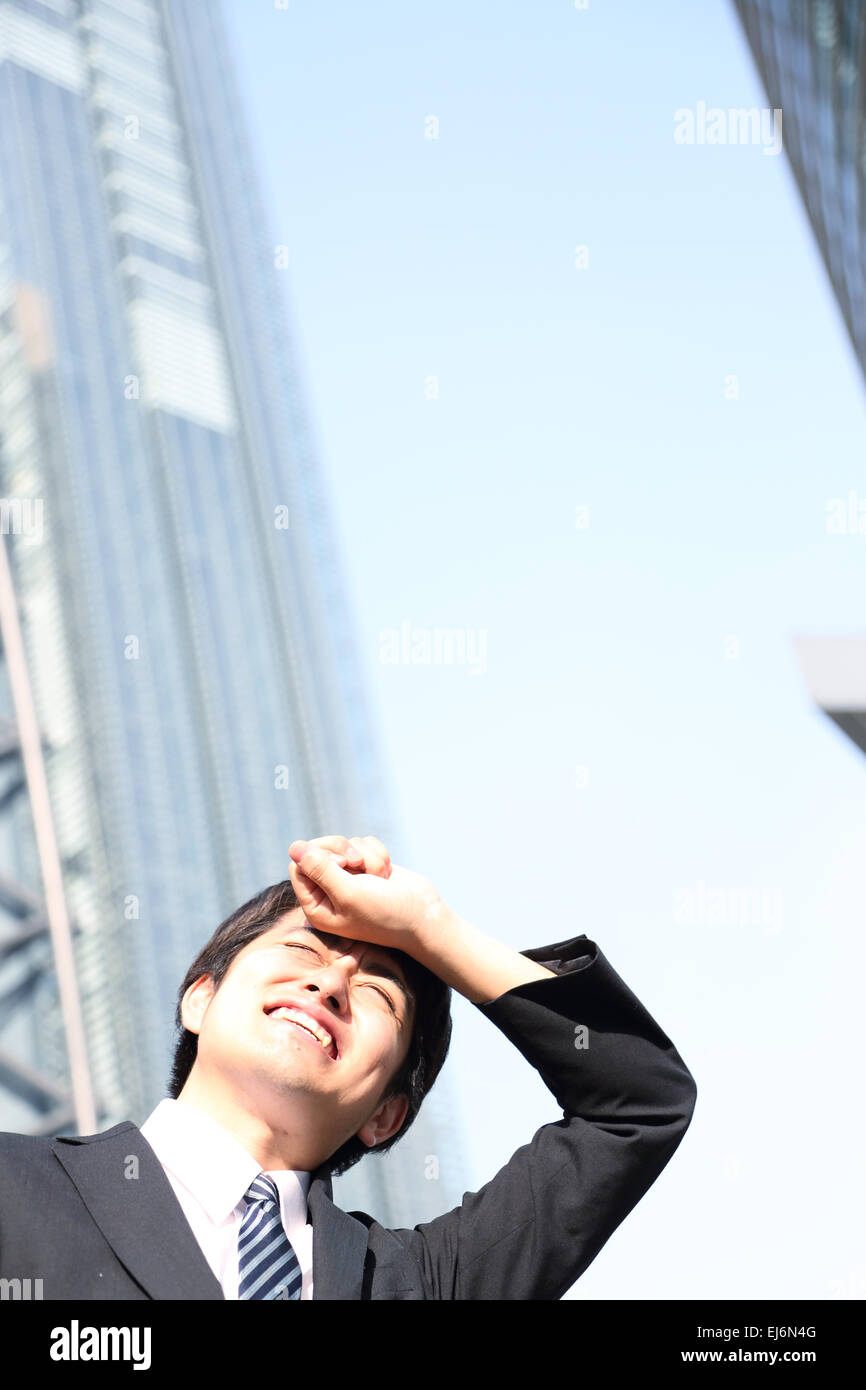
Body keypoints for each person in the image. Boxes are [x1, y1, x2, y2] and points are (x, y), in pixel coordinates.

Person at [0, 833, 697, 1300]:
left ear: (386, 1114)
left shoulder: (411, 1282)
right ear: (199, 998)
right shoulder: (17, 1188)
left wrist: (428, 927)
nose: (330, 985)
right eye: (302, 951)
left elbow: (636, 1104)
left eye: (376, 994)